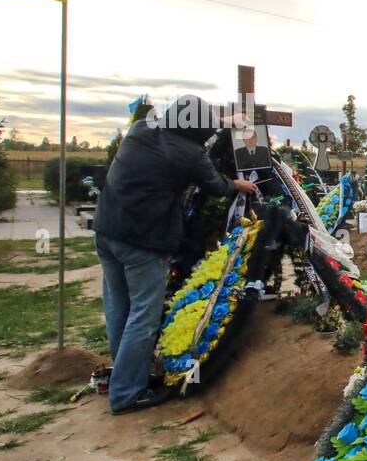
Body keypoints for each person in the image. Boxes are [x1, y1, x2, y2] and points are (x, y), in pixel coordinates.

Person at [93, 95, 257, 414]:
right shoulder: (190, 154)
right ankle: (127, 393)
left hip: (107, 230)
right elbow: (216, 186)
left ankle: (123, 378)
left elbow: (185, 124)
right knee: (144, 313)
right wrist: (235, 184)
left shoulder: (141, 129)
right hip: (144, 240)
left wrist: (227, 121)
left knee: (119, 306)